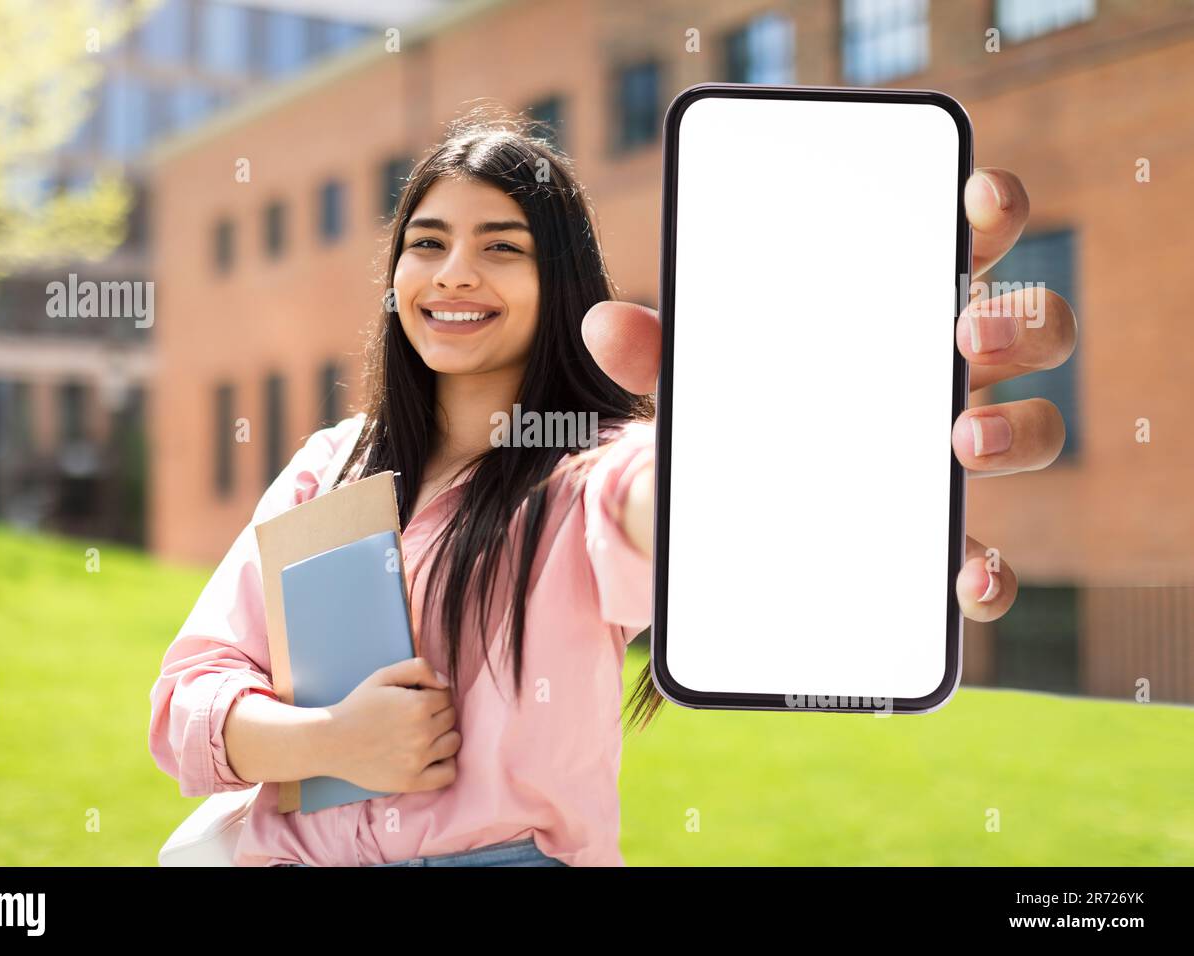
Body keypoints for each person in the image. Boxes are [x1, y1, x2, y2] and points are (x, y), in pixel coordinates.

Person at [147, 111, 1075, 867]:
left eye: (501, 248)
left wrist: (777, 451)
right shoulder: (330, 465)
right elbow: (188, 696)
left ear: (563, 284)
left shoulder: (589, 469)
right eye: (427, 244)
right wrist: (330, 741)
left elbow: (652, 515)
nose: (454, 273)